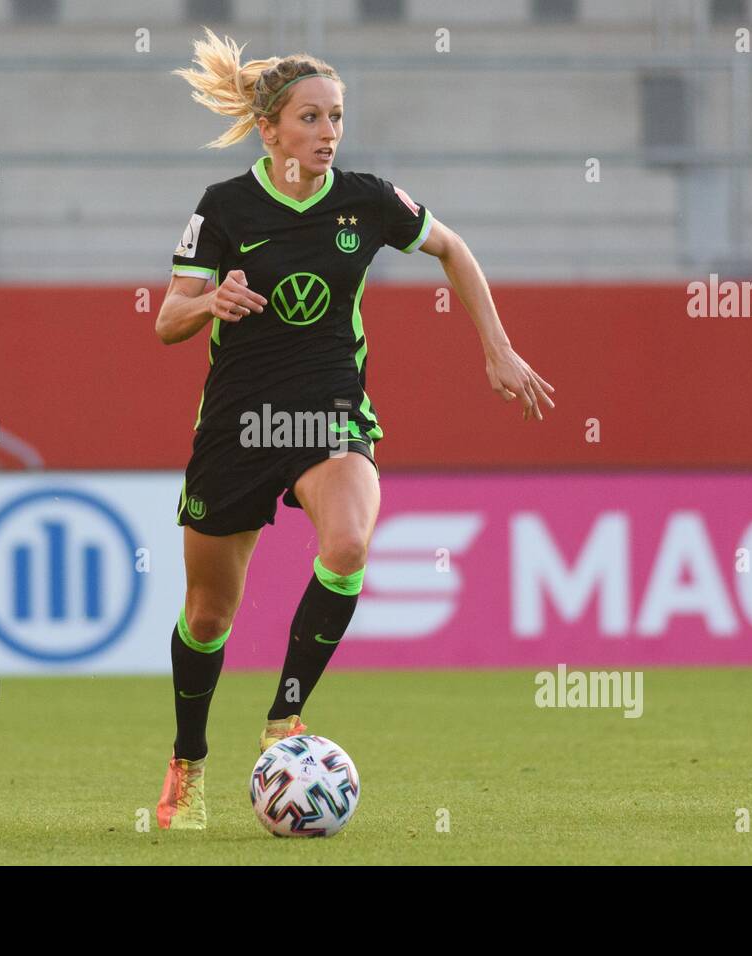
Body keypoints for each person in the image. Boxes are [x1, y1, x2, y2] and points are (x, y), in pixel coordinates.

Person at [153, 27, 555, 829]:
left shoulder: (366, 198)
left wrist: (498, 349)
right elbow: (167, 320)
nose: (328, 132)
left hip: (329, 412)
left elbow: (452, 247)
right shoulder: (224, 207)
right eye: (311, 117)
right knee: (207, 616)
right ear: (271, 130)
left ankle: (285, 718)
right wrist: (209, 303)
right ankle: (187, 765)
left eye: (336, 116)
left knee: (346, 545)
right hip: (239, 424)